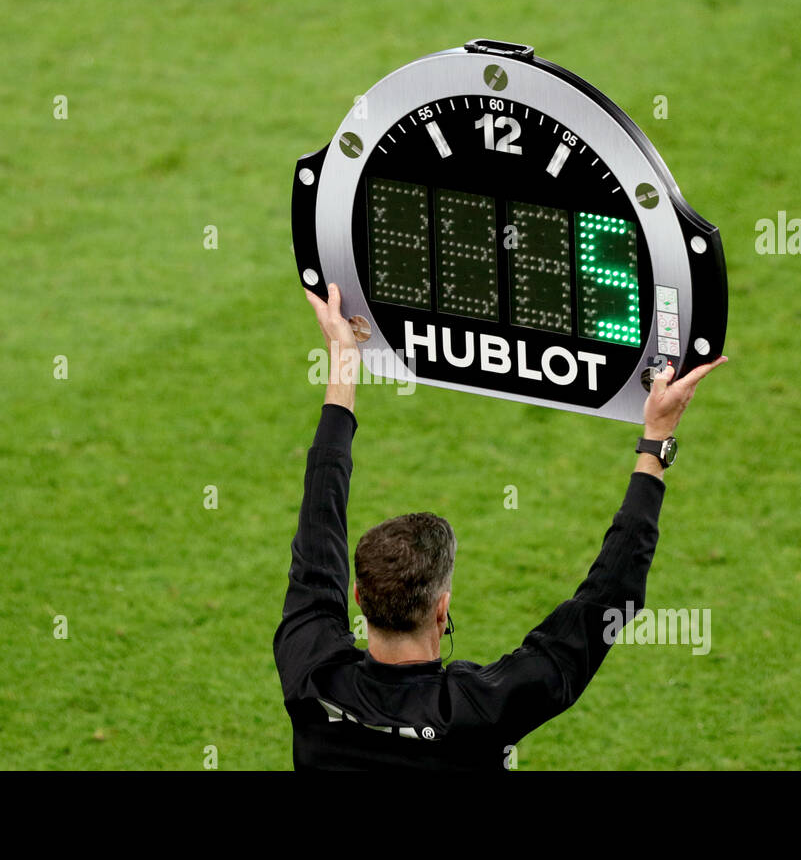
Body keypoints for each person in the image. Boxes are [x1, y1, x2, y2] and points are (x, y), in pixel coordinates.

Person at [273, 283, 726, 770]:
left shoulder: (311, 673)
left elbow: (319, 528)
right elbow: (607, 597)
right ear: (441, 610)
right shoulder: (478, 711)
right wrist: (656, 436)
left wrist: (342, 361)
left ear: (359, 599)